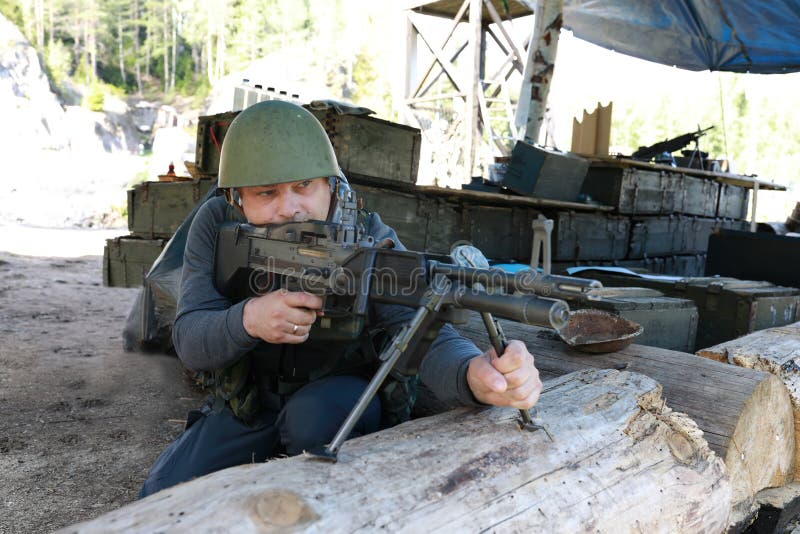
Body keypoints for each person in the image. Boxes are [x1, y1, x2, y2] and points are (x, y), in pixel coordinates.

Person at [139, 100, 542, 497]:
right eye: (266, 193)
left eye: (304, 186)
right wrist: (248, 320)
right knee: (161, 496)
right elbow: (191, 339)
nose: (290, 208)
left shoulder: (367, 236)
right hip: (249, 403)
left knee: (313, 426)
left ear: (330, 184)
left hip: (333, 402)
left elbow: (418, 322)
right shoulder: (217, 224)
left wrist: (472, 373)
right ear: (236, 198)